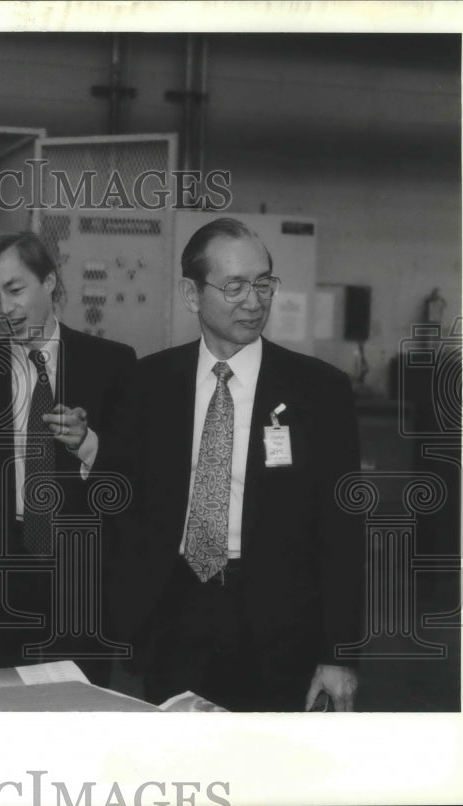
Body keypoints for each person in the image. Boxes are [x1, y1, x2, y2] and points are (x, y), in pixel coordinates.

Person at [107, 217, 364, 711]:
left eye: (263, 283)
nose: (254, 301)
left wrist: (339, 654)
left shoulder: (319, 391)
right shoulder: (148, 385)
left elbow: (342, 532)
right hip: (174, 618)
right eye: (235, 286)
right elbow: (123, 509)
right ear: (191, 294)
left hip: (280, 628)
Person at [0, 232, 136, 682]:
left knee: (76, 705)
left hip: (79, 579)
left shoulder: (112, 365)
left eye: (15, 290)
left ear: (49, 282)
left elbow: (134, 477)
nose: (5, 308)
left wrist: (88, 444)